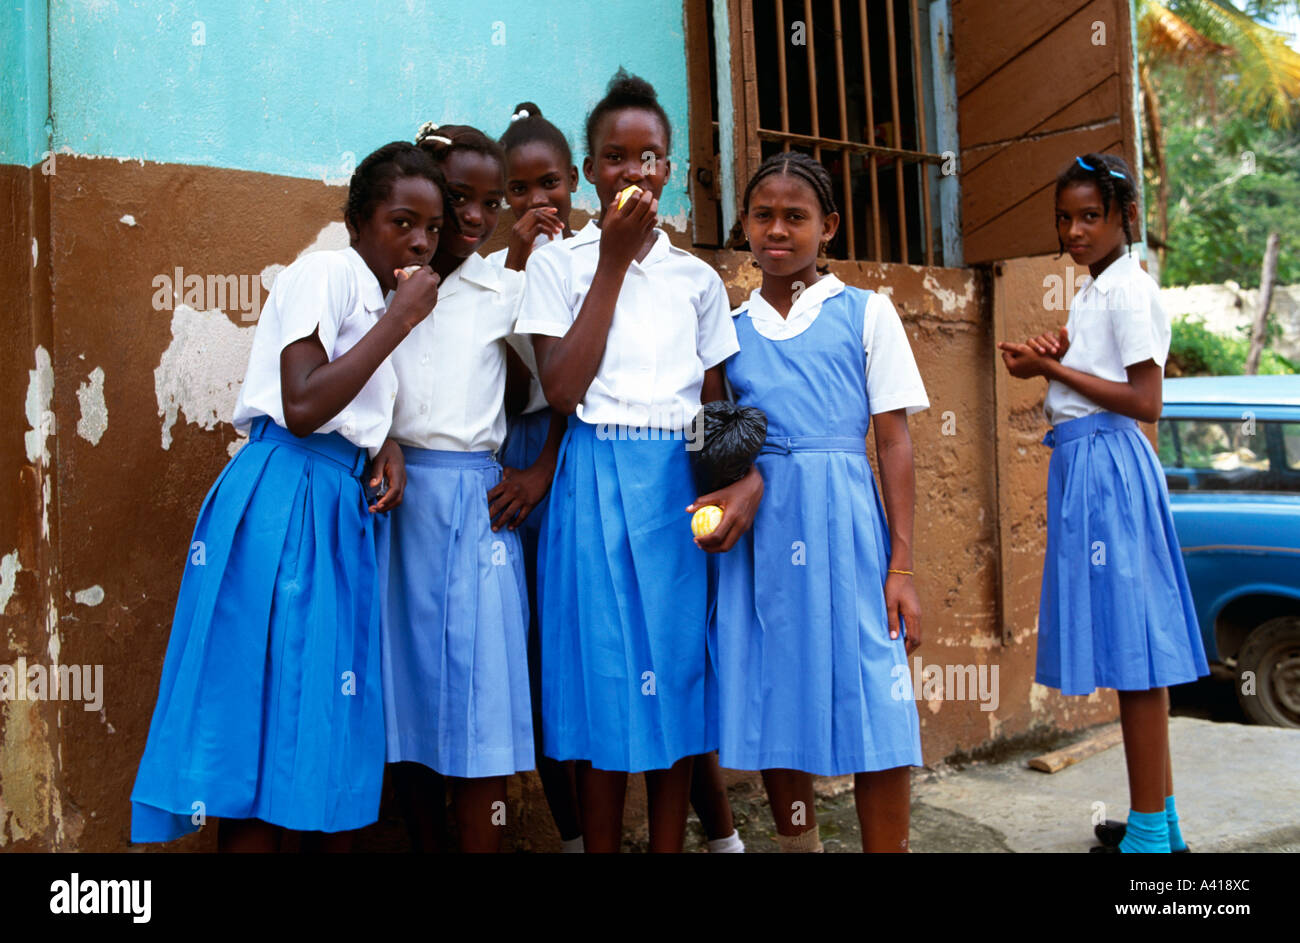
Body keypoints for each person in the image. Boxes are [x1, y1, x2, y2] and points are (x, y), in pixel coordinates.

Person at [130, 141, 444, 852]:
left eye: (431, 226)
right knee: (259, 720)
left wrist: (381, 444)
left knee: (306, 724)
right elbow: (302, 403)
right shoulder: (328, 272)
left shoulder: (373, 296)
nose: (420, 240)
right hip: (283, 501)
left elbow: (350, 404)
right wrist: (401, 320)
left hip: (333, 508)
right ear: (359, 221)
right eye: (403, 221)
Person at [517, 70, 759, 853]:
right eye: (614, 157)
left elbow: (716, 404)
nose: (632, 171)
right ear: (591, 171)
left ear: (668, 166)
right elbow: (560, 387)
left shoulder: (697, 279)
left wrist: (727, 494)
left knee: (677, 675)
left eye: (648, 156)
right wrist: (613, 262)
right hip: (592, 474)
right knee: (602, 679)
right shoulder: (559, 264)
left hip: (674, 486)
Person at [707, 151, 925, 853]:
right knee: (780, 688)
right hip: (764, 533)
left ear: (827, 225)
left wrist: (902, 567)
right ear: (743, 223)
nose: (777, 229)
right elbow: (709, 435)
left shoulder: (866, 312)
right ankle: (801, 845)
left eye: (795, 216)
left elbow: (893, 444)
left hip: (847, 527)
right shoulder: (728, 330)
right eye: (763, 215)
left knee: (876, 691)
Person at [997, 152, 1209, 854]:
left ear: (1125, 217)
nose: (1075, 230)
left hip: (1111, 464)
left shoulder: (1125, 289)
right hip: (1088, 465)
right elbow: (1099, 375)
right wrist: (1057, 356)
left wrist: (1053, 367)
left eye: (1092, 216)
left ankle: (1149, 836)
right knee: (1132, 647)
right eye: (1065, 218)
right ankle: (1161, 821)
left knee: (1136, 652)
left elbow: (1146, 401)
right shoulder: (1094, 292)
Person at [378, 122, 535, 854]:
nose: (475, 216)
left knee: (479, 705)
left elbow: (565, 389)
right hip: (391, 506)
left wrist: (541, 469)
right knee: (399, 701)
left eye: (491, 202)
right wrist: (383, 443)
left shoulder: (506, 290)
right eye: (458, 198)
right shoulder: (381, 280)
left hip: (475, 509)